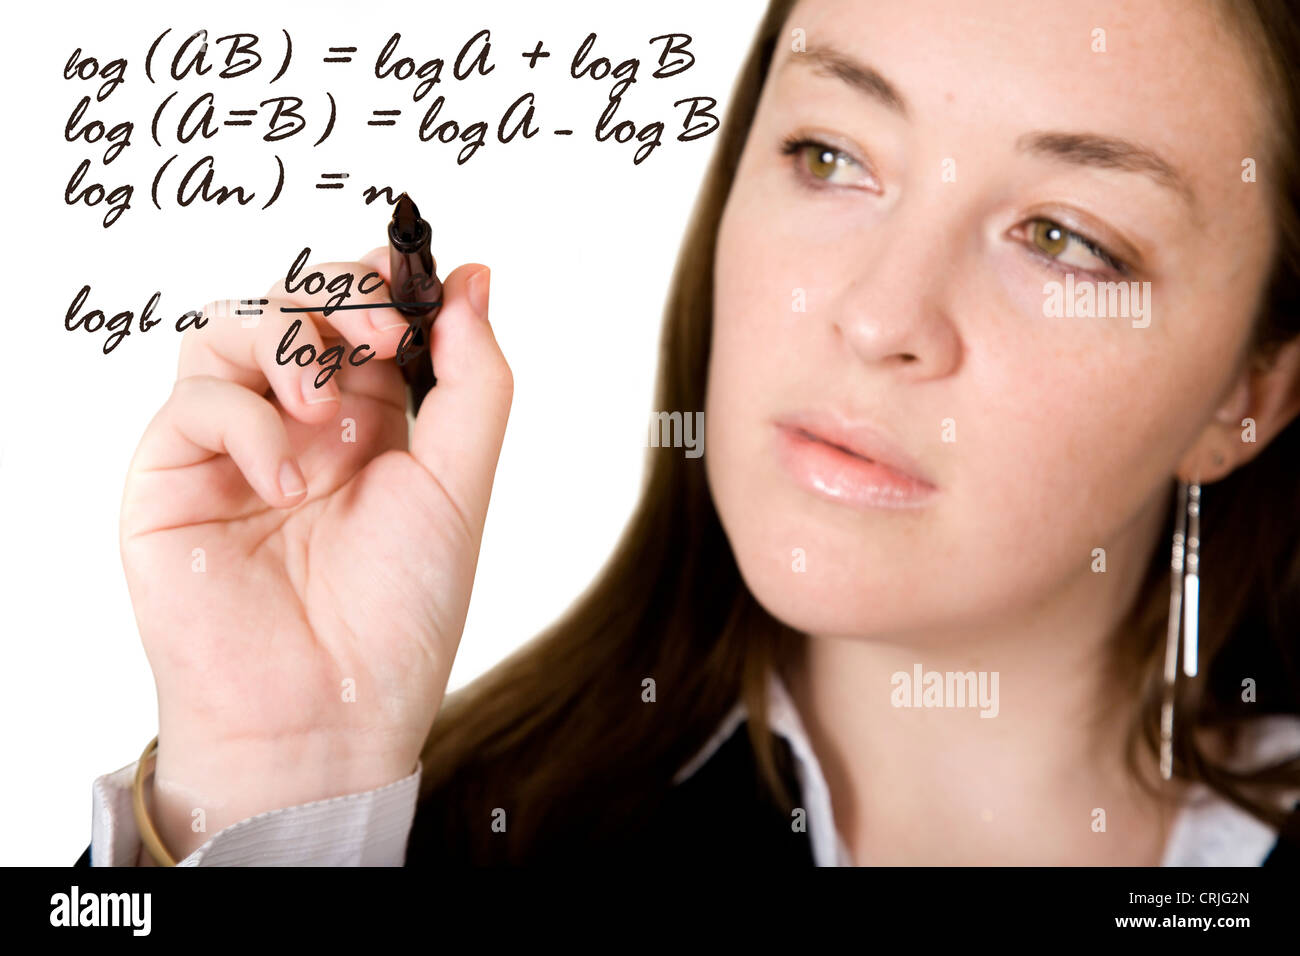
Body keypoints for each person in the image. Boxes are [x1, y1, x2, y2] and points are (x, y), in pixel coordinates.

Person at [76, 0, 1300, 867]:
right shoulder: (427, 842)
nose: (876, 315)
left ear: (1248, 392)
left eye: (1065, 236)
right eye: (828, 155)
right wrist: (278, 774)